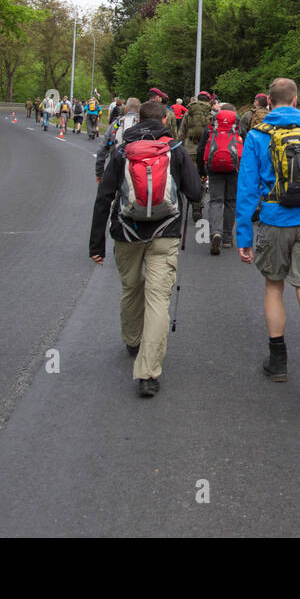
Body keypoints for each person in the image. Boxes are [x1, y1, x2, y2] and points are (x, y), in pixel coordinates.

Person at [235, 77, 300, 404]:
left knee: (274, 287)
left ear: (268, 102)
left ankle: (278, 361)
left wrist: (243, 233)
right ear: (295, 99)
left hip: (274, 218)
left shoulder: (256, 135)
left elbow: (247, 188)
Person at [90, 99, 203, 398]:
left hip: (126, 232)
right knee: (157, 300)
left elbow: (104, 198)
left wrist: (96, 244)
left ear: (138, 120)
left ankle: (131, 340)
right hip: (165, 233)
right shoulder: (175, 151)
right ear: (165, 121)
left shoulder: (122, 151)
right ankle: (148, 373)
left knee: (130, 288)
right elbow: (194, 192)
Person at [201, 102, 241, 256]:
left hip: (213, 167)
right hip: (234, 168)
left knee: (216, 200)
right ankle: (227, 237)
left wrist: (201, 169)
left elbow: (201, 149)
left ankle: (215, 232)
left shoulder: (212, 128)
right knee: (231, 201)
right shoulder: (238, 128)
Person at [178, 91, 215, 223]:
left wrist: (179, 147)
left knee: (190, 176)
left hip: (189, 149)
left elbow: (182, 132)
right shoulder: (210, 114)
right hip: (205, 150)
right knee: (202, 177)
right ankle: (198, 205)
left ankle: (193, 201)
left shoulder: (189, 112)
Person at [96, 97, 141, 182]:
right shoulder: (144, 125)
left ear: (126, 109)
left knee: (106, 193)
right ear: (139, 110)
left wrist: (99, 173)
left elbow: (102, 149)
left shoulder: (116, 124)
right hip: (137, 171)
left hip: (117, 166)